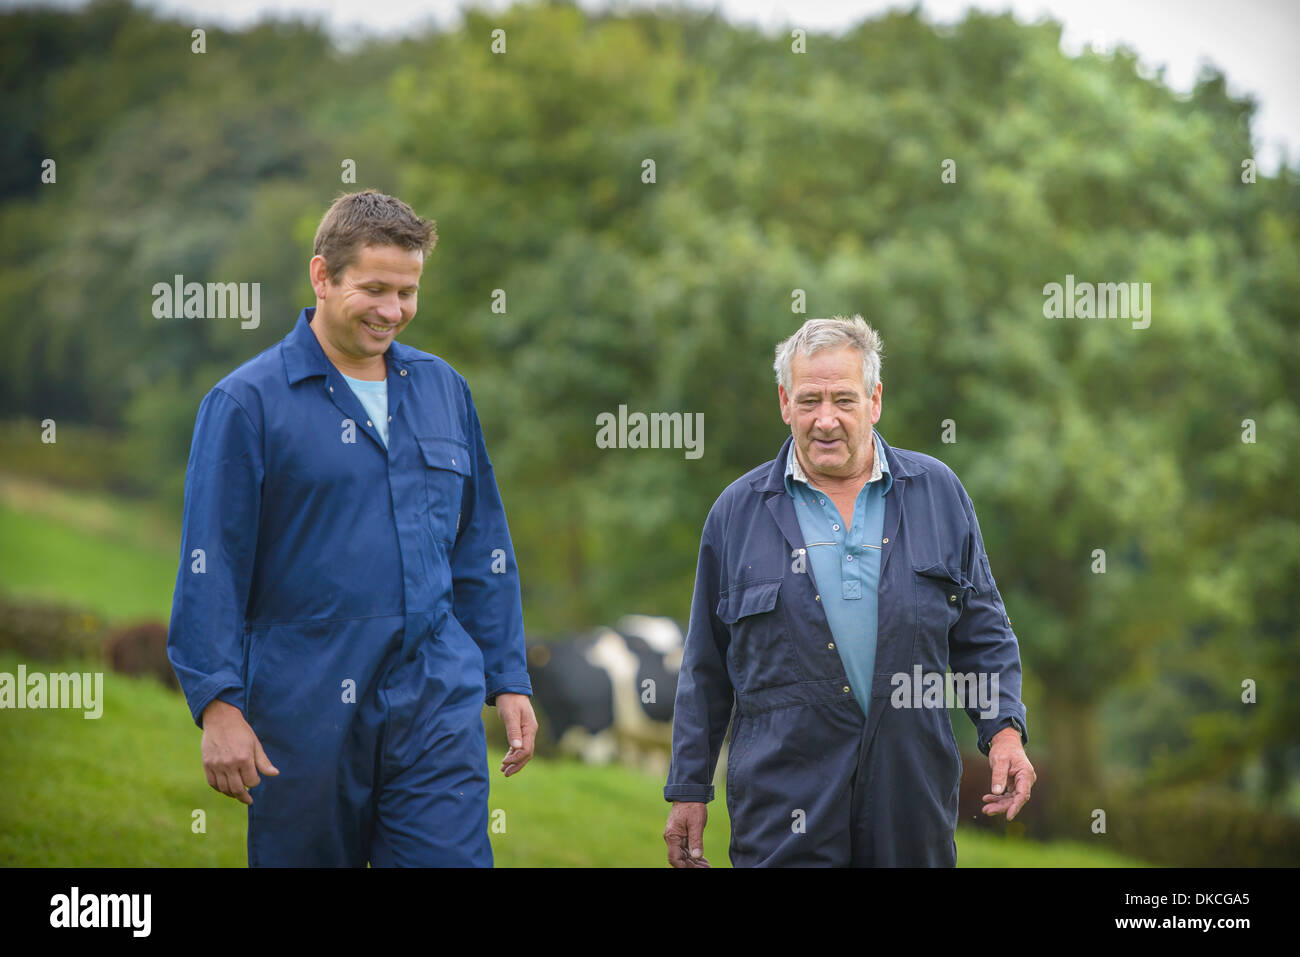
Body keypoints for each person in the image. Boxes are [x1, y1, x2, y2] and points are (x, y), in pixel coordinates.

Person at [167, 189, 536, 867]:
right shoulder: (246, 404)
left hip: (434, 701)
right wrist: (217, 704)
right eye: (374, 289)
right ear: (321, 276)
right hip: (301, 709)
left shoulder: (444, 389)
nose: (393, 311)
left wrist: (508, 675)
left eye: (408, 291)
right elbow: (210, 561)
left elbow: (482, 545)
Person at [663, 315, 1034, 867]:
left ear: (875, 399)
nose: (826, 420)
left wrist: (1004, 731)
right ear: (784, 402)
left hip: (911, 794)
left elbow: (982, 635)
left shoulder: (938, 494)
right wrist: (689, 788)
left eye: (843, 399)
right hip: (783, 798)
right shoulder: (734, 515)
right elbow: (705, 668)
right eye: (809, 401)